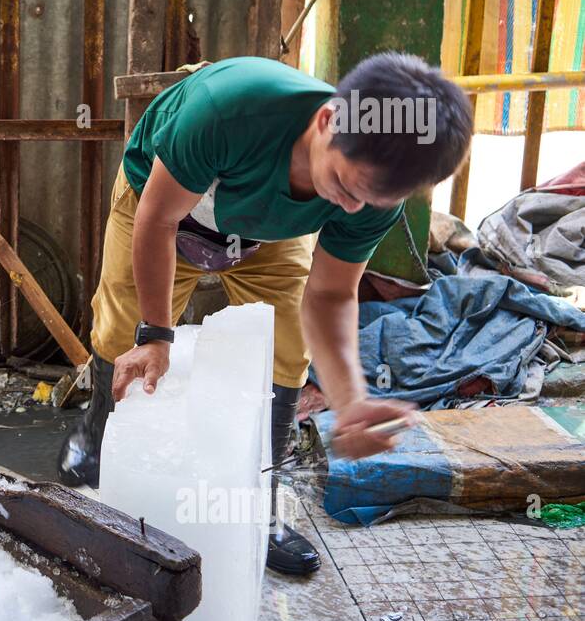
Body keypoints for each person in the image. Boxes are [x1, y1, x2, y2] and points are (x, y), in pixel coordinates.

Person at [58, 53, 473, 575]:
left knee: (288, 344)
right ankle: (97, 437)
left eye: (368, 201)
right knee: (123, 328)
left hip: (268, 229)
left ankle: (261, 502)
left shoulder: (372, 194)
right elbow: (158, 219)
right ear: (326, 121)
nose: (350, 209)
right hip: (161, 205)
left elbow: (331, 295)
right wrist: (156, 335)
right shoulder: (228, 109)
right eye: (345, 187)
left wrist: (350, 400)